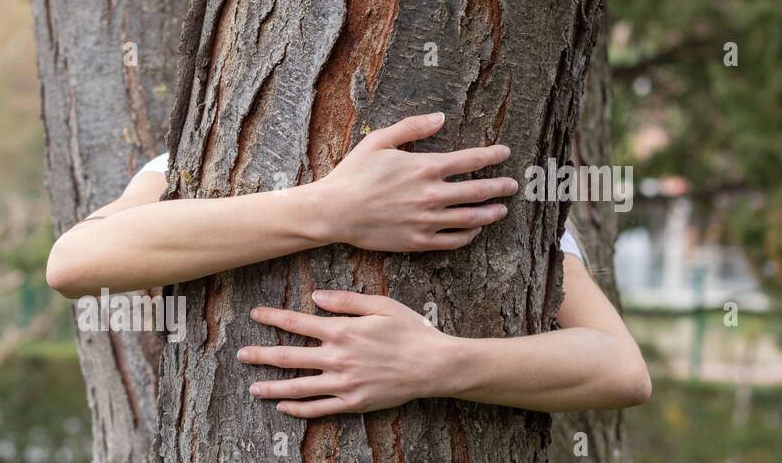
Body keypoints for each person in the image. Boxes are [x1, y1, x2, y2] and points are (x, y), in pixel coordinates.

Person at [45, 112, 650, 415]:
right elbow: (78, 260)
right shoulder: (201, 163)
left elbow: (620, 368)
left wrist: (441, 363)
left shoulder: (468, 193)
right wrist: (331, 211)